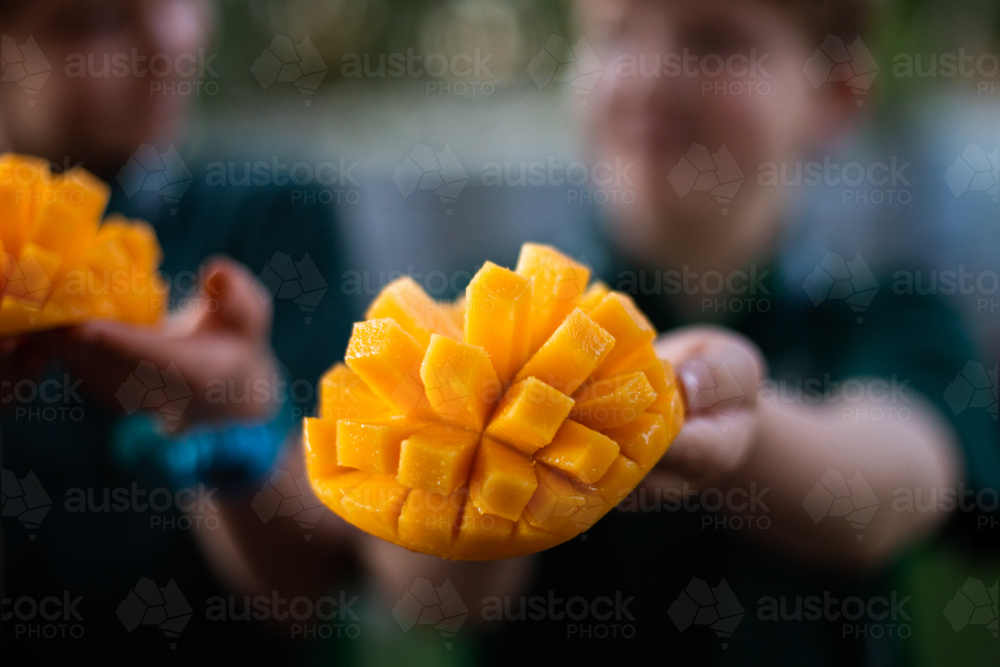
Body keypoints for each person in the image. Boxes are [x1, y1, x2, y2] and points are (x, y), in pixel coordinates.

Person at [310, 0, 996, 664]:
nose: (646, 77)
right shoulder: (481, 315)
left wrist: (731, 420)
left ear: (836, 92)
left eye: (715, 40)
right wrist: (455, 466)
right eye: (615, 33)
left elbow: (884, 492)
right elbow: (438, 601)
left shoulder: (892, 318)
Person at [0, 0, 357, 662]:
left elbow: (310, 593)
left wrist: (227, 421)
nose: (170, 42)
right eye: (95, 21)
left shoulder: (270, 217)